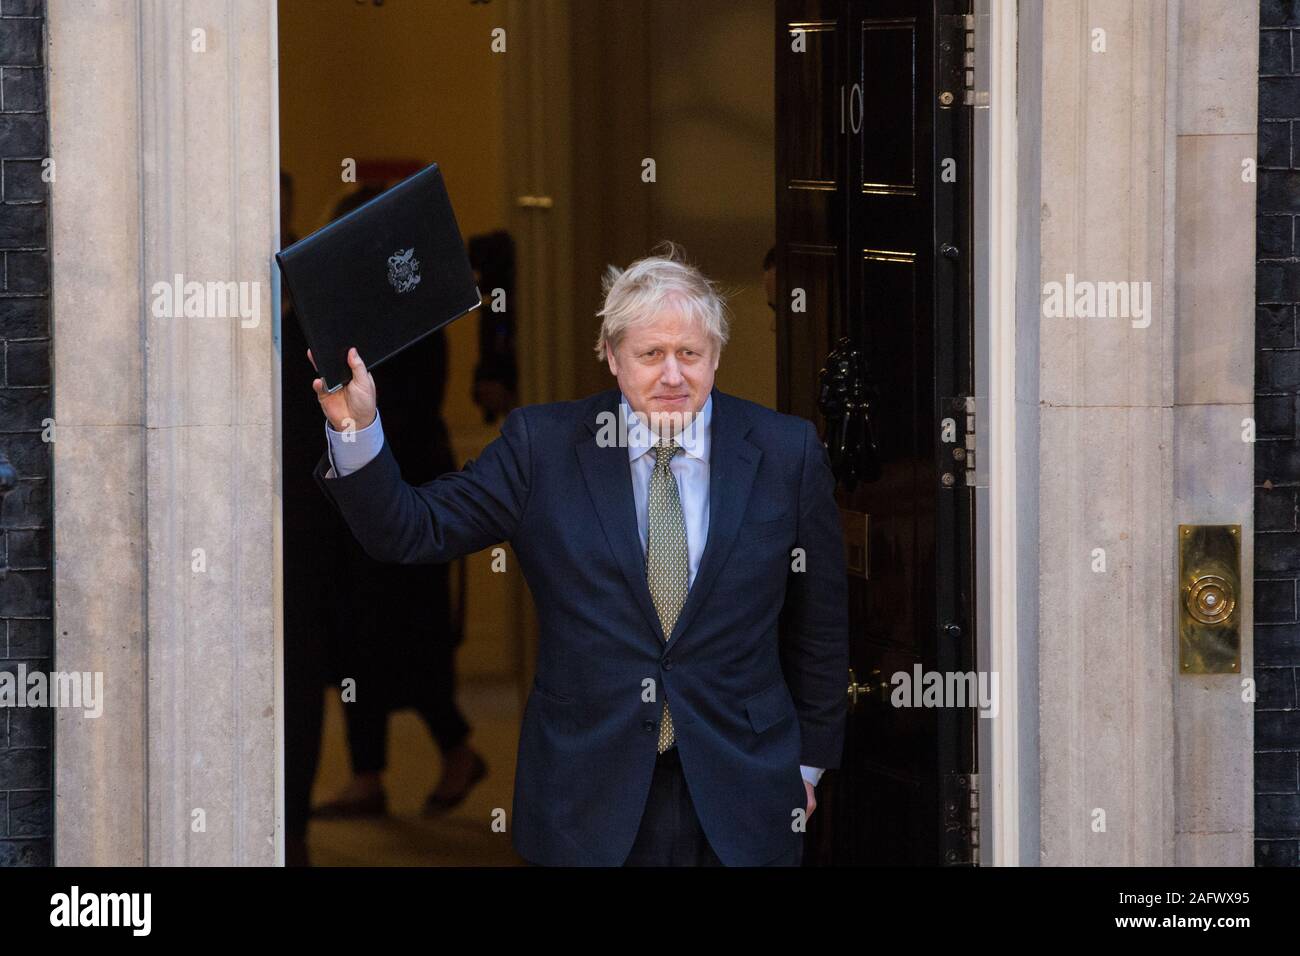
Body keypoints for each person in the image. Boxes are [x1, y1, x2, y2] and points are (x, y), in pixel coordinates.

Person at [308, 242, 848, 866]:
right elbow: (410, 529)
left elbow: (821, 627)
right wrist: (356, 431)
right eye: (651, 355)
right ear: (611, 356)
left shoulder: (787, 453)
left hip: (745, 790)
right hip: (587, 798)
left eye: (689, 354)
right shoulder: (543, 447)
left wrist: (808, 767)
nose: (673, 375)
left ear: (716, 355)